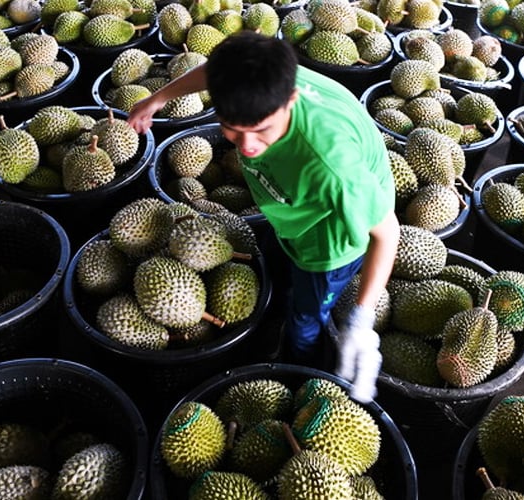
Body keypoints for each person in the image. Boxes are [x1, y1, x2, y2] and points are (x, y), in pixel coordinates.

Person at [127, 31, 399, 403]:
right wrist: (157, 98)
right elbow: (214, 71)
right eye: (234, 131)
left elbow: (387, 233)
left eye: (261, 131)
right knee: (279, 271)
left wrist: (363, 320)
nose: (249, 146)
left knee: (305, 321)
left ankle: (299, 376)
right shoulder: (256, 80)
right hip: (294, 208)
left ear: (292, 99)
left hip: (330, 237)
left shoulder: (332, 167)